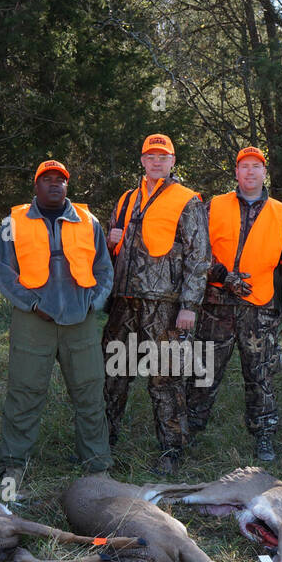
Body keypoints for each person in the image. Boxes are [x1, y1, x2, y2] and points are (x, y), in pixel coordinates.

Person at [0, 159, 114, 480]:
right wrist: (32, 304)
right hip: (33, 323)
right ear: (36, 186)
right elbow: (3, 274)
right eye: (47, 179)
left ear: (67, 185)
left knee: (90, 392)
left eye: (61, 179)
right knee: (24, 392)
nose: (55, 183)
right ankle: (12, 466)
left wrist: (94, 302)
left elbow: (104, 269)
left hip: (81, 322)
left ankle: (97, 467)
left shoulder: (89, 221)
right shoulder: (12, 222)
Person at [102, 133, 210, 474]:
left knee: (165, 377)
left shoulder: (187, 200)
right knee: (113, 373)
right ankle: (103, 441)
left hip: (164, 305)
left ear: (173, 161)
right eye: (151, 156)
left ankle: (171, 449)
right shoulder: (126, 199)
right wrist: (109, 241)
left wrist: (189, 305)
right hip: (124, 302)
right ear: (142, 160)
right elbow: (108, 253)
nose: (157, 161)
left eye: (163, 156)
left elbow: (200, 256)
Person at [186, 146, 282, 462]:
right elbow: (197, 250)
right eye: (244, 167)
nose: (250, 172)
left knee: (260, 375)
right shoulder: (213, 206)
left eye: (256, 167)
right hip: (217, 305)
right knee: (204, 371)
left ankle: (263, 435)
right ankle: (190, 431)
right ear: (236, 173)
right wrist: (224, 276)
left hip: (260, 308)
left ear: (264, 173)